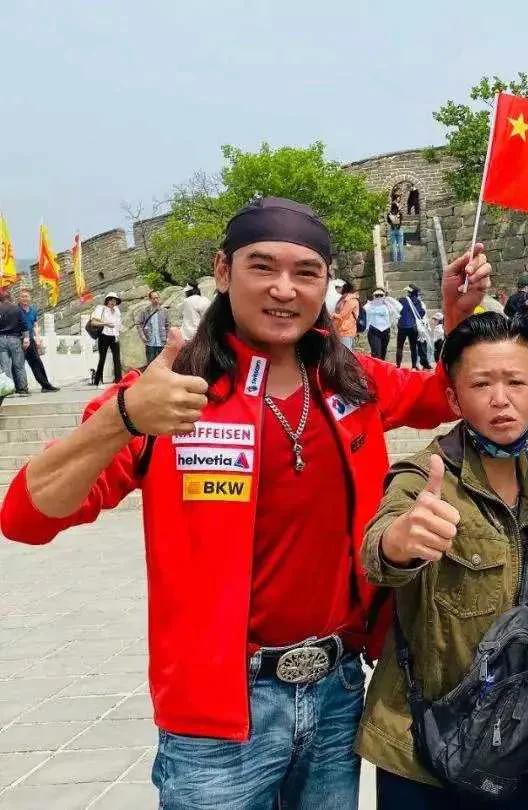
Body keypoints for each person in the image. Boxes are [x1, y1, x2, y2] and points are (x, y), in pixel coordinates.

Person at [0, 197, 491, 809]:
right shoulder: (170, 393)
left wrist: (456, 315)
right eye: (262, 266)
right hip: (217, 716)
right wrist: (122, 418)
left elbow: (444, 396)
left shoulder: (351, 381)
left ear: (326, 285)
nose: (284, 289)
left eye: (306, 272)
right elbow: (25, 517)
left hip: (336, 693)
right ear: (223, 271)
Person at [358, 313, 528, 809]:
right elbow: (378, 548)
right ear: (454, 399)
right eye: (481, 384)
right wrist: (399, 542)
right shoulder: (424, 476)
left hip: (522, 745)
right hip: (424, 747)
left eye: (515, 382)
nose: (501, 399)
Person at [16, 288, 59, 392]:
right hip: (18, 340)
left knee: (37, 363)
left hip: (30, 340)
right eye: (22, 296)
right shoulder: (16, 310)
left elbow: (35, 325)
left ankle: (45, 385)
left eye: (26, 296)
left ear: (30, 298)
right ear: (19, 298)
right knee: (18, 364)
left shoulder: (33, 310)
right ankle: (19, 387)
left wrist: (38, 338)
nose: (24, 298)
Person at [0, 285, 30, 397]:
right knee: (19, 365)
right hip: (15, 339)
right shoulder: (17, 308)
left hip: (1, 340)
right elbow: (24, 324)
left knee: (5, 366)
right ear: (10, 297)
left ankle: (9, 390)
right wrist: (26, 338)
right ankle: (23, 389)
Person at [90, 292, 123, 386]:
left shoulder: (117, 310)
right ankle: (97, 380)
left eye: (115, 300)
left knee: (117, 358)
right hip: (104, 335)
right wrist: (106, 324)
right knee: (102, 358)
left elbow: (118, 324)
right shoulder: (101, 308)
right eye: (111, 300)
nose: (113, 302)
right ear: (107, 300)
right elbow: (93, 323)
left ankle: (118, 380)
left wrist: (118, 333)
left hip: (114, 336)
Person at [397, 284, 432, 370]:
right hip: (413, 326)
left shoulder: (401, 300)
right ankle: (413, 366)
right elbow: (421, 313)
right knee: (413, 347)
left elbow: (397, 310)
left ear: (409, 292)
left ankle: (398, 365)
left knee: (400, 347)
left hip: (402, 326)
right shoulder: (417, 301)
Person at [364, 286, 400, 361]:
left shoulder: (388, 305)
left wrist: (388, 298)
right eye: (377, 295)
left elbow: (398, 308)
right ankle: (376, 367)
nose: (379, 297)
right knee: (376, 354)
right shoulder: (368, 306)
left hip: (385, 331)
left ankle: (381, 367)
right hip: (374, 331)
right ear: (373, 296)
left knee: (383, 353)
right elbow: (363, 315)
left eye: (381, 295)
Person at [137, 290, 169, 365]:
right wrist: (142, 336)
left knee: (161, 364)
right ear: (150, 299)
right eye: (154, 298)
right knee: (150, 363)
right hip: (150, 341)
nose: (156, 300)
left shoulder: (164, 311)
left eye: (157, 298)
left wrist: (167, 337)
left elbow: (167, 325)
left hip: (161, 341)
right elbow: (139, 324)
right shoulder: (145, 311)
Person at [331, 280, 361, 350]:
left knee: (345, 352)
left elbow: (343, 315)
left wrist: (332, 315)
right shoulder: (344, 299)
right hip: (340, 330)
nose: (336, 289)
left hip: (346, 330)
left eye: (338, 287)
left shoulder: (351, 300)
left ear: (345, 288)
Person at [387, 194, 405, 263]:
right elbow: (401, 219)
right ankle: (402, 260)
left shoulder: (389, 213)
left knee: (394, 246)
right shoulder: (399, 213)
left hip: (392, 229)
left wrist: (392, 223)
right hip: (399, 229)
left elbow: (388, 221)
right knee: (400, 245)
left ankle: (395, 261)